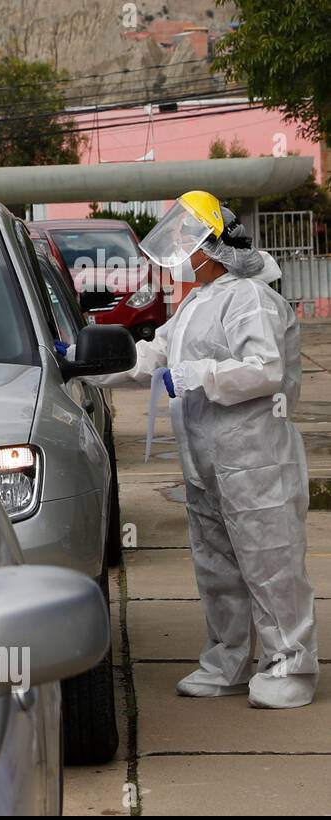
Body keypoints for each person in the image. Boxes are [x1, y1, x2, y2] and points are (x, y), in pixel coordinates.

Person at [92, 191, 317, 708]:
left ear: (210, 246)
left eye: (185, 239)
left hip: (255, 458)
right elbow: (153, 356)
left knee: (270, 565)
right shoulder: (197, 302)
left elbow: (265, 370)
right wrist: (82, 362)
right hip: (207, 460)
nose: (178, 249)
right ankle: (227, 660)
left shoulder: (250, 299)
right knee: (216, 566)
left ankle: (291, 668)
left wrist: (198, 374)